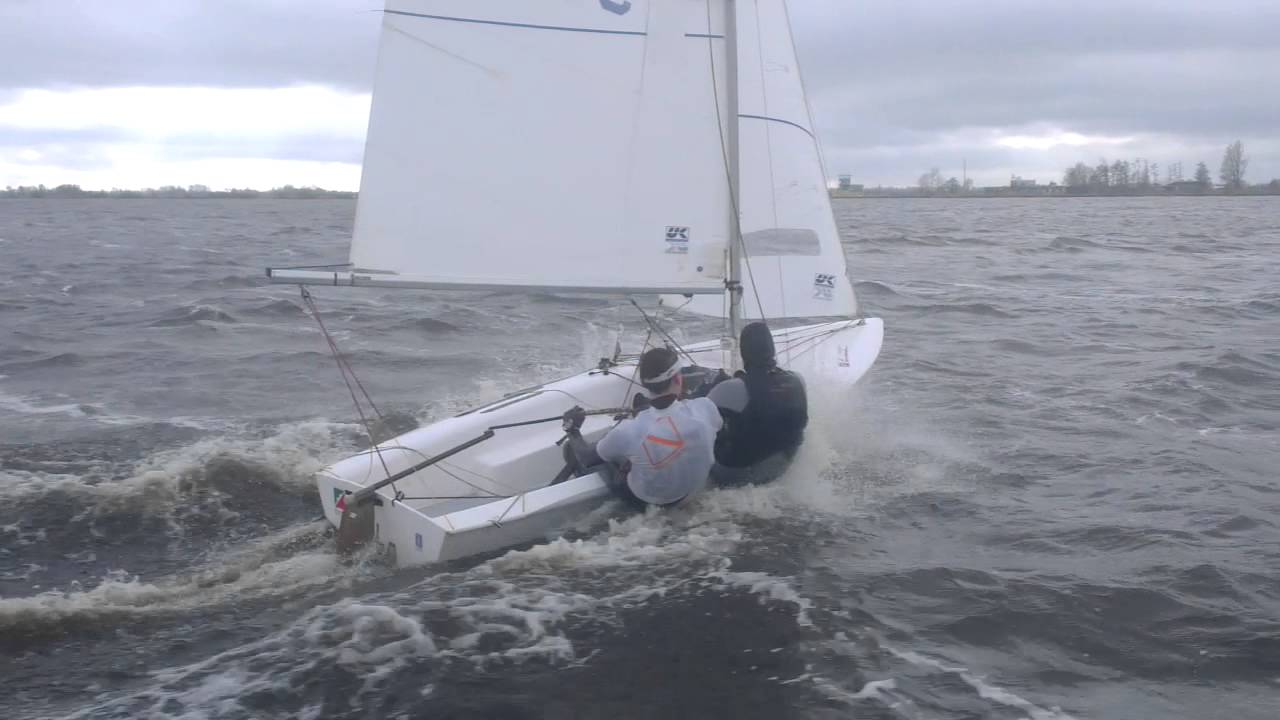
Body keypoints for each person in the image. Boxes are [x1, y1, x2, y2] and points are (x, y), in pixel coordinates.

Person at [561, 346, 723, 509]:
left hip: (647, 502)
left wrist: (572, 429)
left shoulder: (628, 430)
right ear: (678, 379)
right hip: (690, 492)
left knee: (571, 448)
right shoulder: (705, 408)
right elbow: (687, 418)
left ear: (645, 384)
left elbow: (587, 457)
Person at [707, 321, 808, 483]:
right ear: (772, 349)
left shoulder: (729, 388)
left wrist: (714, 385)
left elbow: (698, 412)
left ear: (743, 353)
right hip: (783, 466)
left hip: (742, 476)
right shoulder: (798, 380)